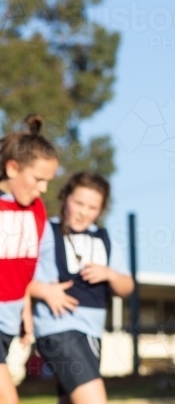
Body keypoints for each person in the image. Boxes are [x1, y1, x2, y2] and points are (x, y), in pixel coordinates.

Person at [29, 172, 134, 404]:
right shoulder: (45, 231)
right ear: (65, 197)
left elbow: (127, 287)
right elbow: (16, 275)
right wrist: (45, 290)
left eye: (92, 207)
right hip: (57, 328)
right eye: (78, 203)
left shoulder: (105, 240)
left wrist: (109, 274)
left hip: (92, 333)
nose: (84, 212)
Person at [0, 115, 59, 404]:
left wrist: (24, 312)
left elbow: (20, 271)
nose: (44, 189)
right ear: (12, 168)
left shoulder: (36, 212)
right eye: (38, 179)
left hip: (8, 322)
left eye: (48, 181)